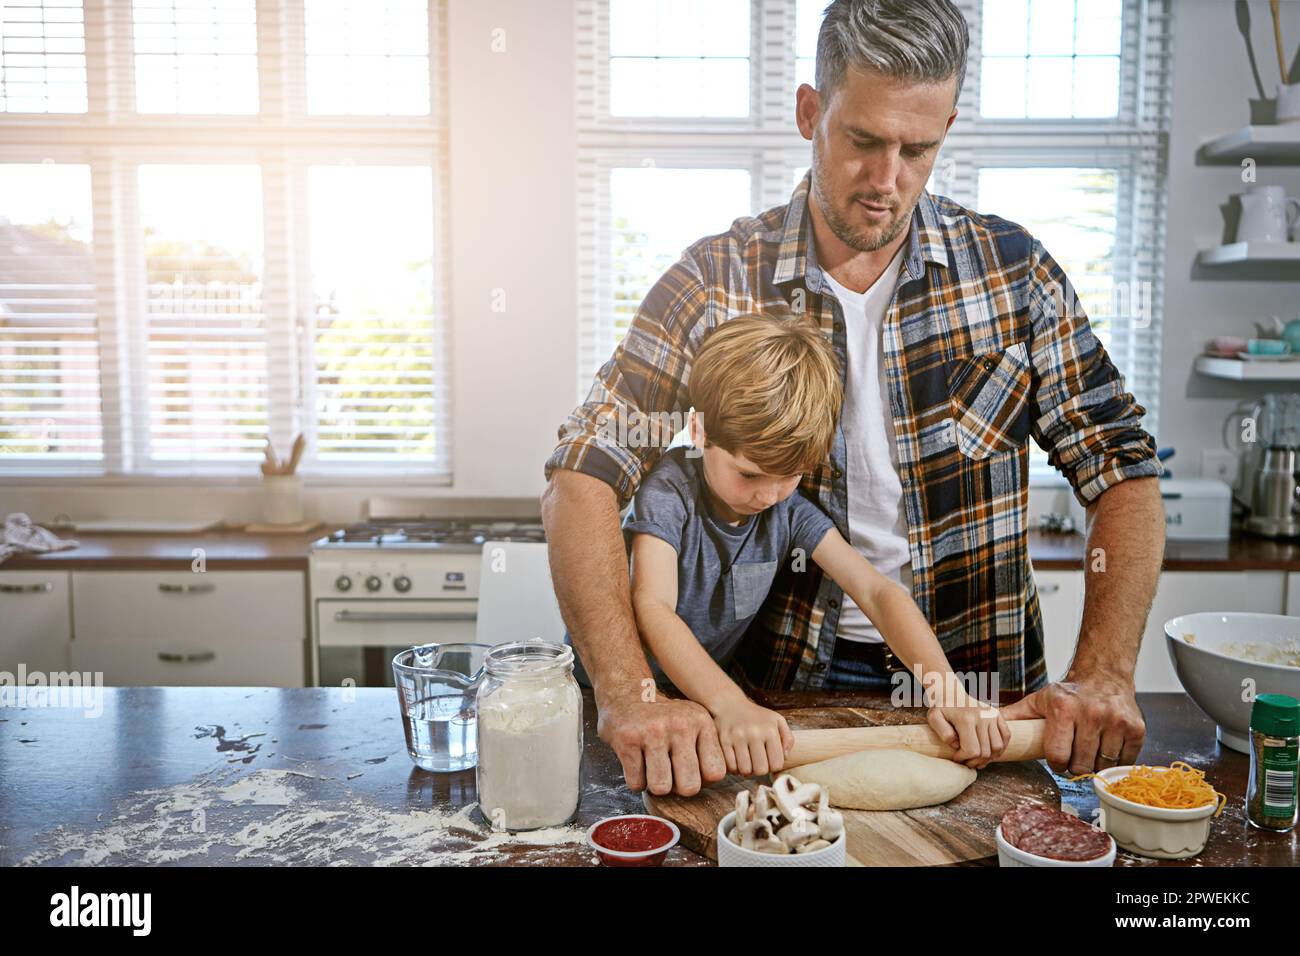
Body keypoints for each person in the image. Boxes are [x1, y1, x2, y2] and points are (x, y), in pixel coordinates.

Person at [542, 0, 1165, 797]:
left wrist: (1104, 672)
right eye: (864, 141)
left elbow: (1122, 466)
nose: (886, 181)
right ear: (811, 112)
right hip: (776, 704)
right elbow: (583, 476)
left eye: (919, 149)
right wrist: (633, 697)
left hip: (979, 697)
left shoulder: (1017, 277)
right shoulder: (711, 283)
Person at [623, 313, 1009, 776]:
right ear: (700, 431)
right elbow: (654, 608)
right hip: (624, 702)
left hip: (701, 707)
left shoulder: (786, 510)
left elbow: (878, 594)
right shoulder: (668, 495)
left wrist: (948, 691)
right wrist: (730, 704)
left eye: (788, 475)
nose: (767, 496)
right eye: (749, 474)